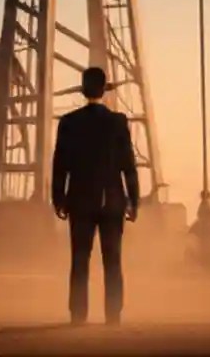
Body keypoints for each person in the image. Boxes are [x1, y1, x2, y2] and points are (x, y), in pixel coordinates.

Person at [51, 67, 140, 326]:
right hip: (112, 200)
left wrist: (58, 198)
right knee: (112, 260)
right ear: (104, 89)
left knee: (80, 259)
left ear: (82, 89)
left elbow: (60, 165)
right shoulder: (118, 122)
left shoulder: (69, 123)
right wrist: (133, 200)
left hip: (80, 200)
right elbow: (128, 165)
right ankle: (113, 314)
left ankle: (78, 314)